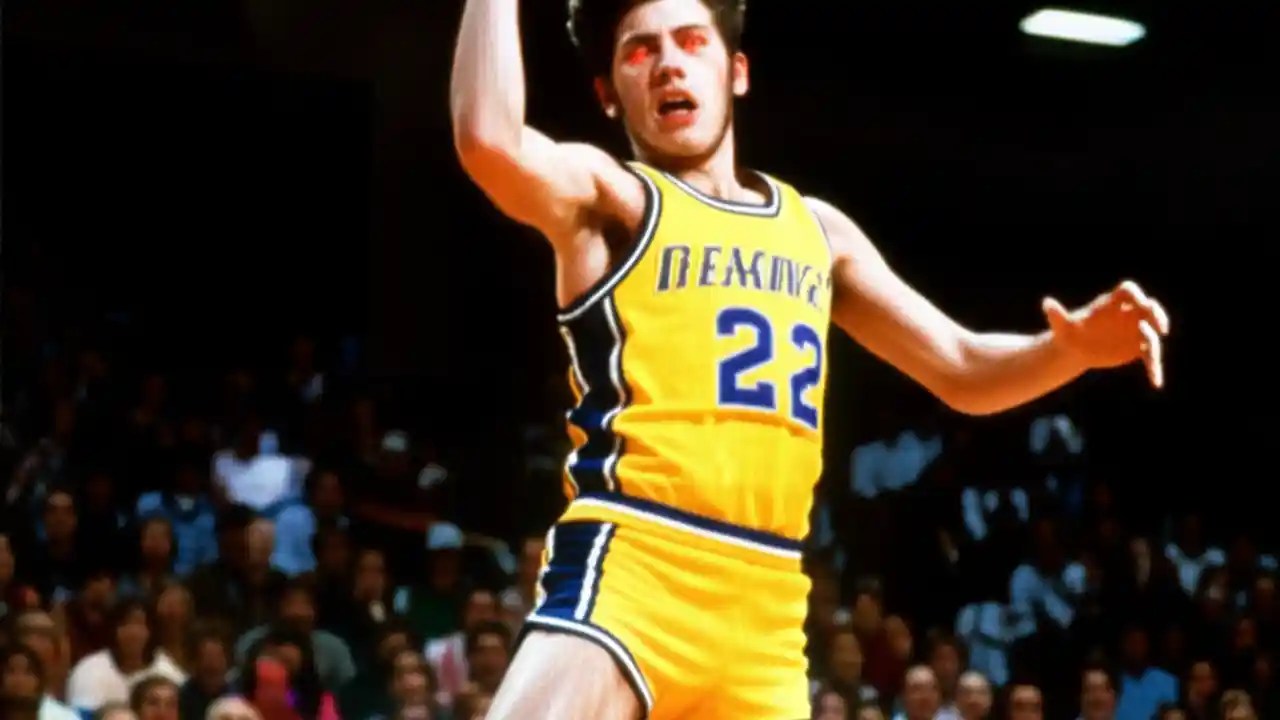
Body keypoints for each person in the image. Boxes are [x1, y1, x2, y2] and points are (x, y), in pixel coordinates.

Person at [449, 0, 1171, 718]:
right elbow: (490, 140)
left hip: (767, 605)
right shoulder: (614, 200)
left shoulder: (817, 230)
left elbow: (962, 367)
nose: (668, 61)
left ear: (736, 72)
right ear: (608, 95)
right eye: (640, 51)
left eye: (691, 41)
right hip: (636, 565)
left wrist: (1066, 351)